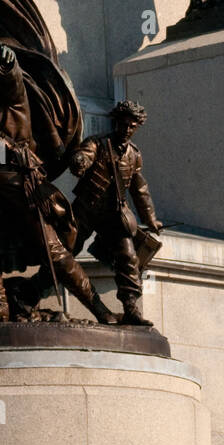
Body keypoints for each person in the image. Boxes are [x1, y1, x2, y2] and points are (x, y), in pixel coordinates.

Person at [0, 32, 116, 324]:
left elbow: (9, 76)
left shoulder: (7, 84)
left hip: (21, 180)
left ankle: (100, 309)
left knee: (54, 252)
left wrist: (8, 62)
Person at [68, 101, 162, 326]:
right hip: (86, 210)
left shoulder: (134, 155)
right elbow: (83, 156)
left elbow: (140, 190)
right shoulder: (98, 144)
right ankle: (31, 294)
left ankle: (131, 310)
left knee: (129, 258)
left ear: (137, 127)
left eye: (132, 126)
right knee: (64, 255)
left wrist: (150, 219)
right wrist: (80, 160)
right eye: (123, 124)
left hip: (113, 216)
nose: (127, 129)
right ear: (116, 122)